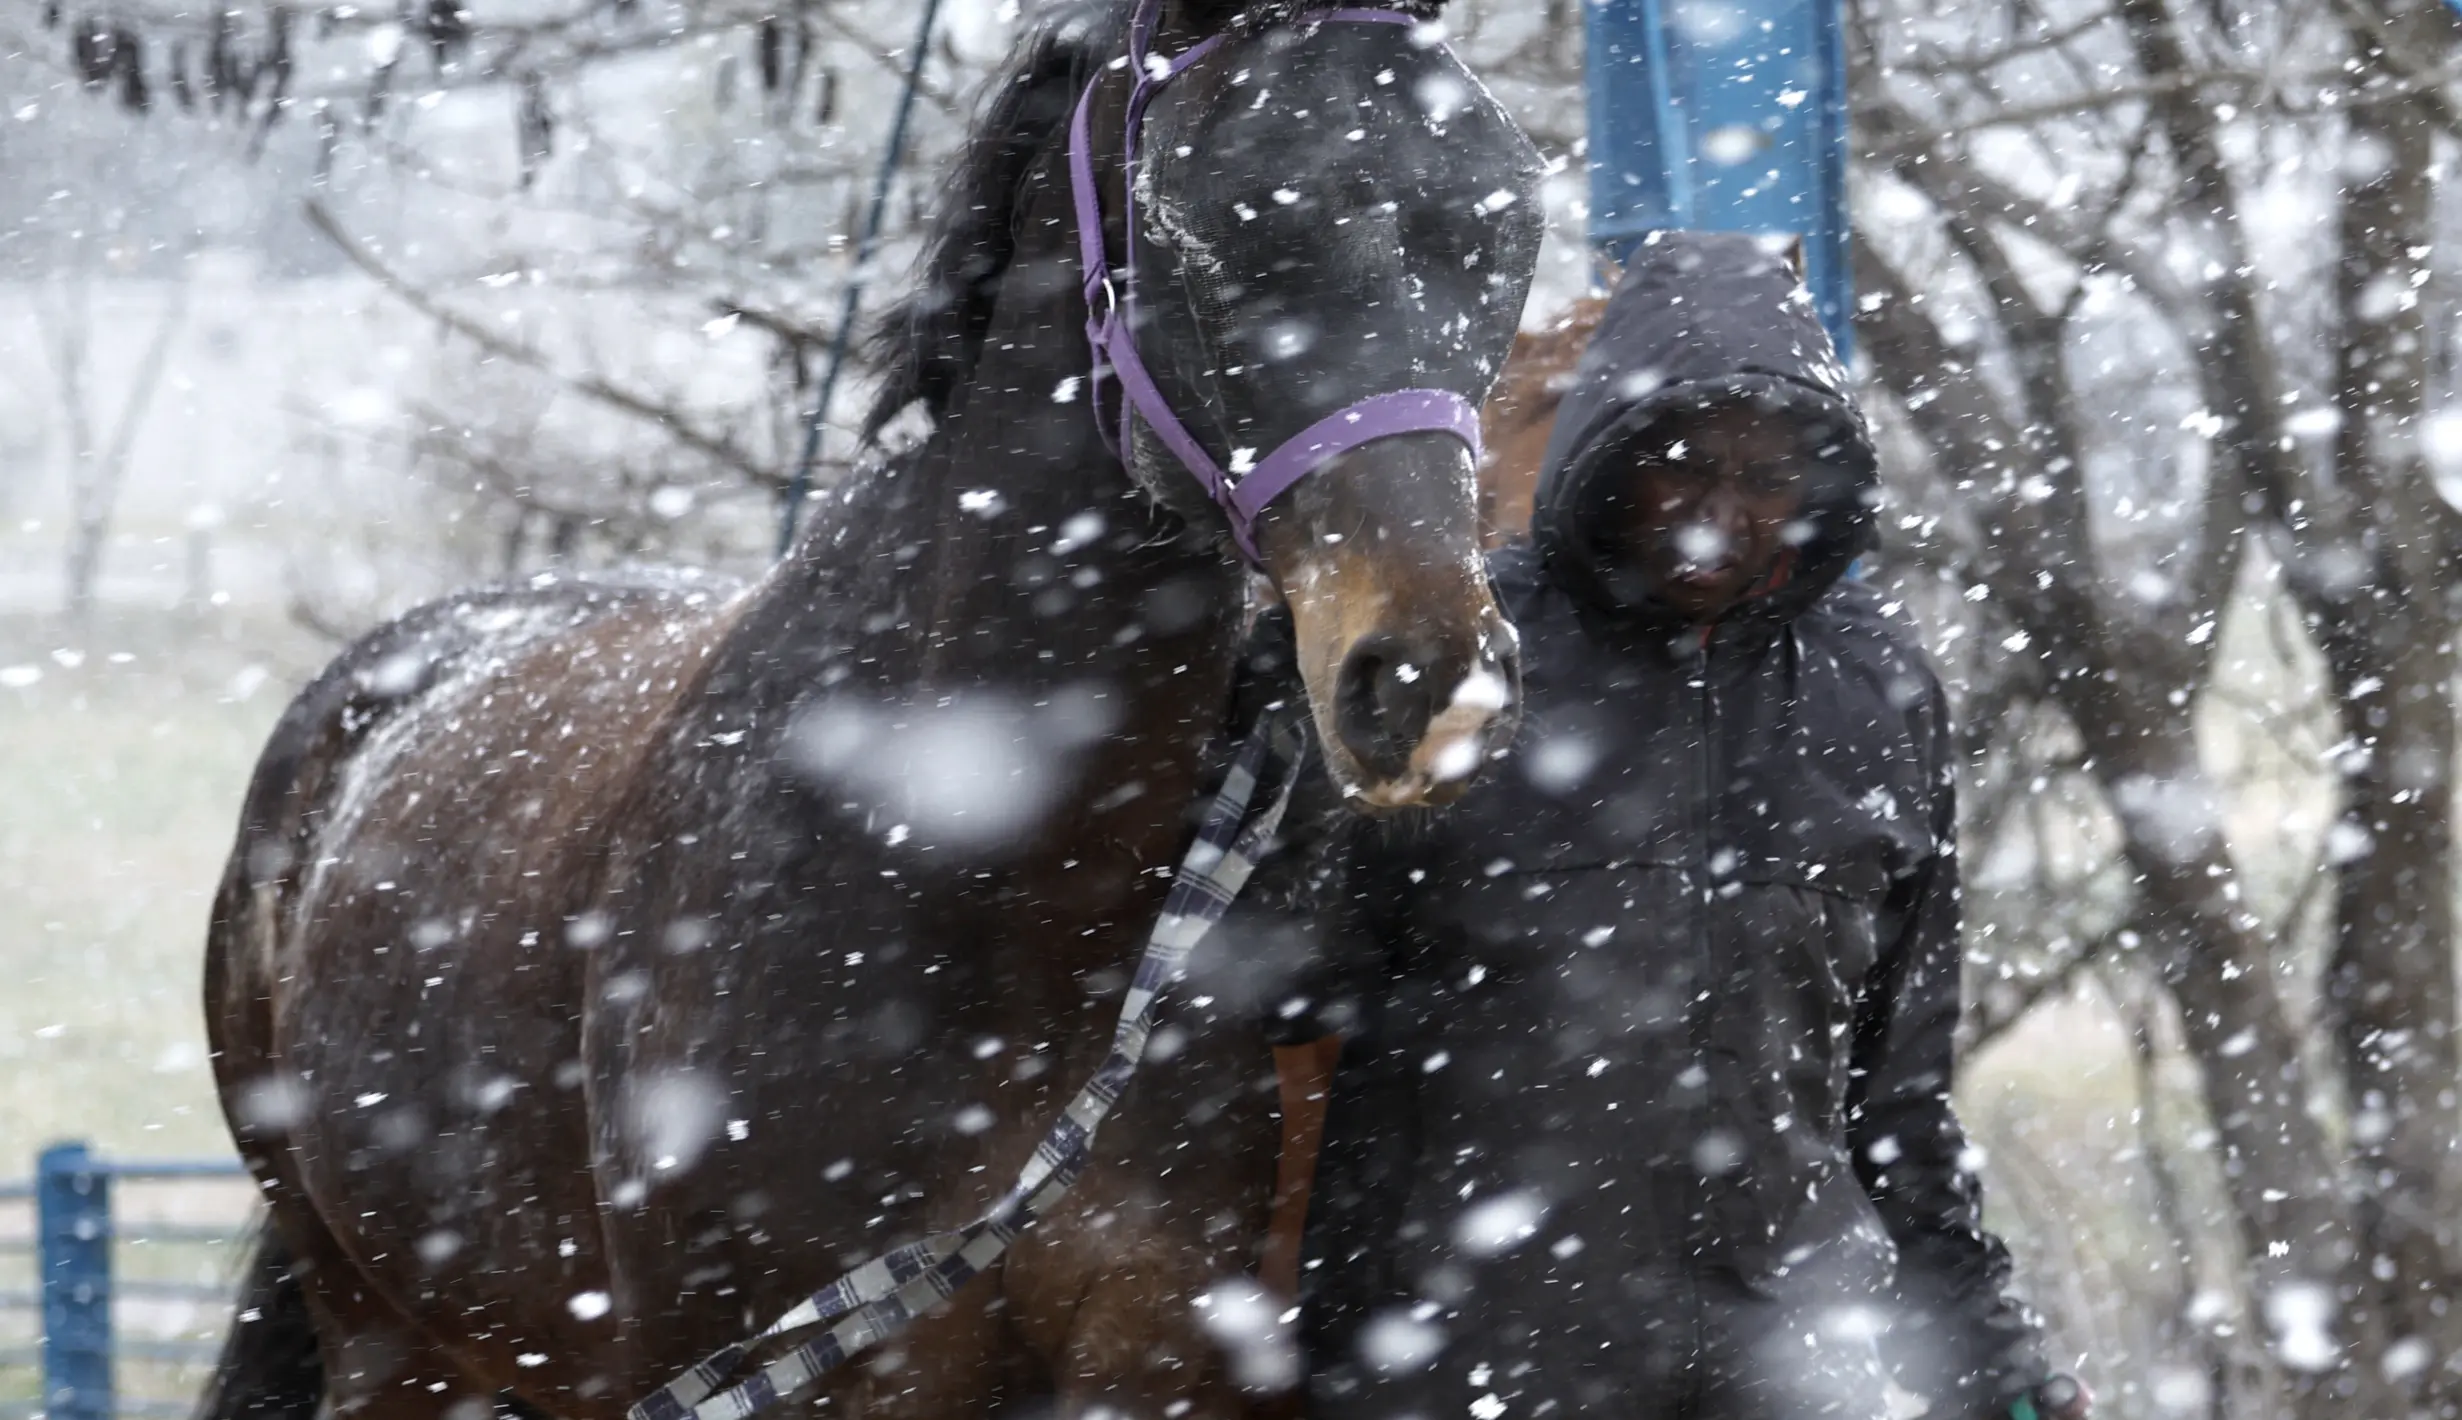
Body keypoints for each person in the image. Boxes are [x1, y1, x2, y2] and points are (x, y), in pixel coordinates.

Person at [1264, 232, 2089, 1420]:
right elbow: (1287, 1021)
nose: (1718, 514)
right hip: (1480, 1365)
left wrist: (1992, 1354)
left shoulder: (1880, 694)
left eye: (1764, 478)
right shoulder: (1469, 664)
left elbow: (1893, 1096)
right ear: (1608, 452)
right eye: (1683, 463)